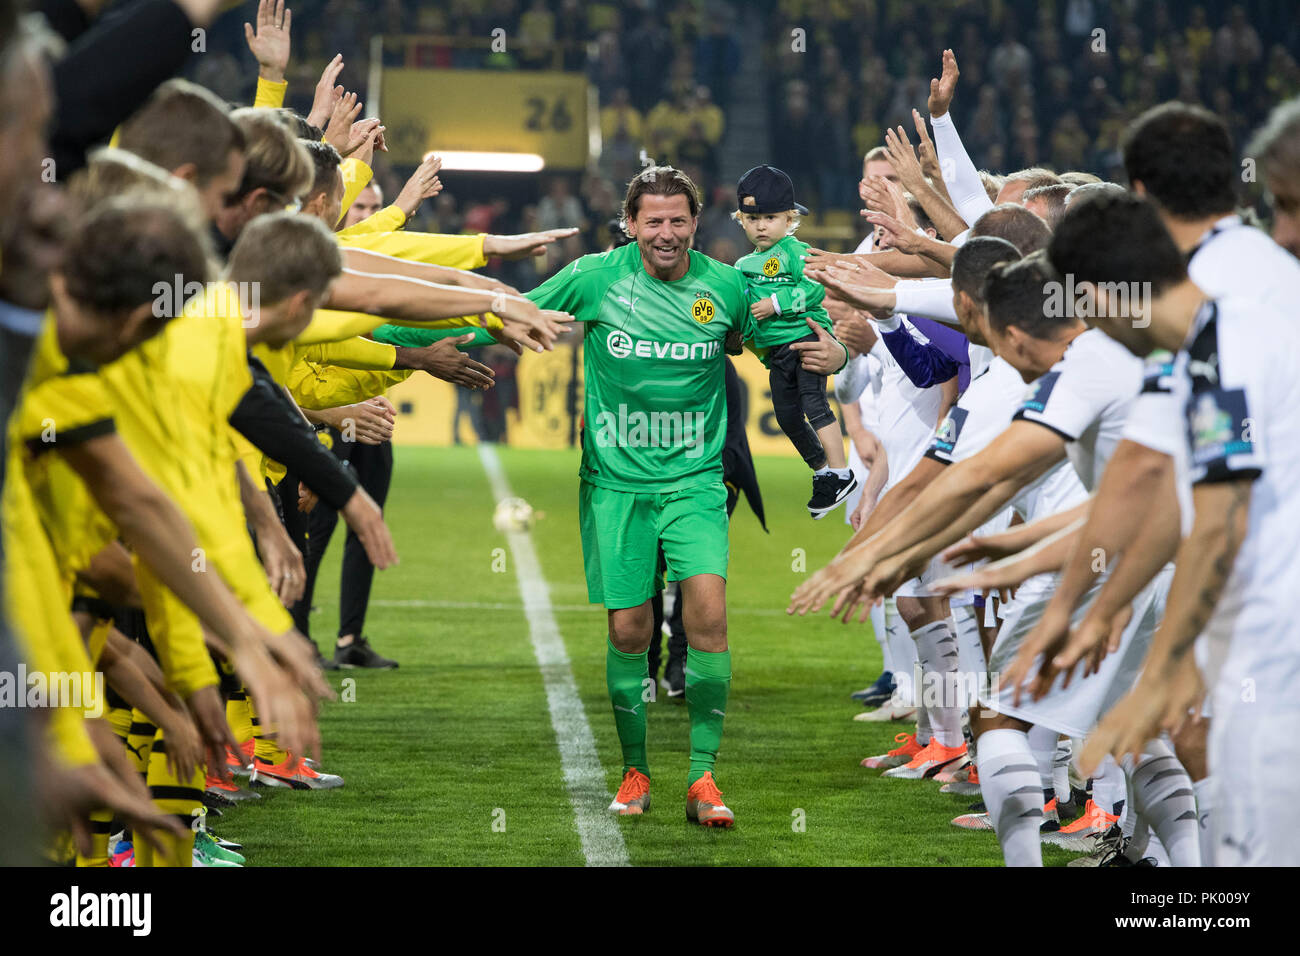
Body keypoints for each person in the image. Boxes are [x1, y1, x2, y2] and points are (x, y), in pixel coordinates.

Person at [524, 165, 847, 827]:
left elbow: (788, 345)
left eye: (678, 220)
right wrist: (408, 344)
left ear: (696, 224)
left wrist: (837, 354)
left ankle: (703, 777)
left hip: (695, 483)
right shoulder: (595, 277)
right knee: (628, 630)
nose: (666, 233)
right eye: (654, 221)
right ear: (631, 224)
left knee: (710, 618)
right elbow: (515, 310)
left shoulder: (725, 287)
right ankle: (635, 770)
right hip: (615, 486)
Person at [732, 165, 857, 517]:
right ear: (740, 219)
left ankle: (841, 471)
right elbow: (745, 310)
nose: (760, 225)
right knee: (787, 417)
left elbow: (816, 286)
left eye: (770, 217)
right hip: (777, 354)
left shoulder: (794, 251)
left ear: (789, 219)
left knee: (814, 405)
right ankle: (822, 473)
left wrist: (776, 303)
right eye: (752, 217)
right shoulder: (742, 266)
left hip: (807, 339)